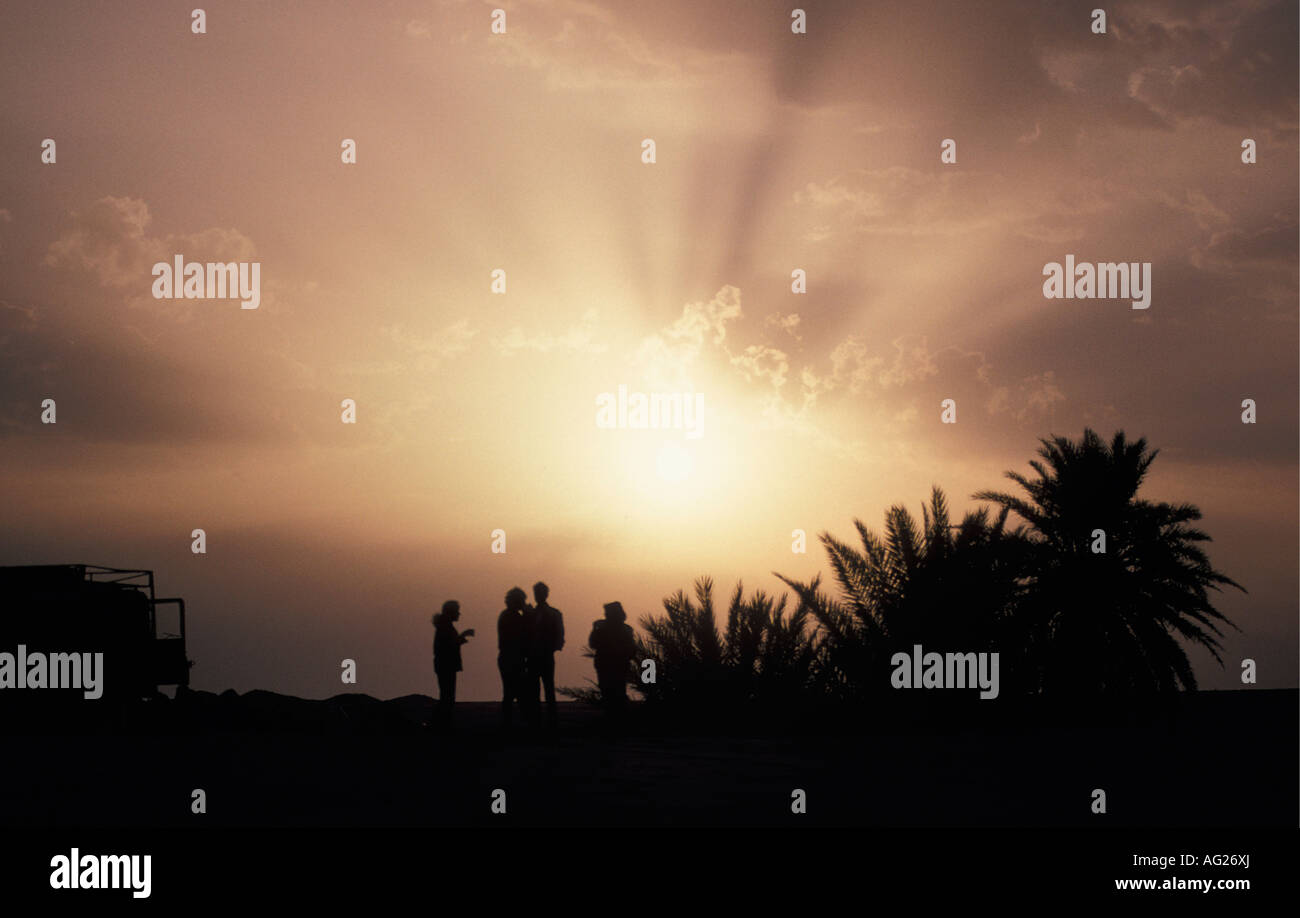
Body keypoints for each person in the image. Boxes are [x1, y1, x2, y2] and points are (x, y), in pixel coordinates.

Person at [527, 581, 565, 729]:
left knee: (548, 688)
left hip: (545, 655)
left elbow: (559, 634)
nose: (538, 596)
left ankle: (551, 720)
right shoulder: (532, 614)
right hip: (533, 656)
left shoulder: (553, 614)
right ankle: (537, 720)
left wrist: (553, 647)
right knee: (535, 689)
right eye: (537, 593)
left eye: (541, 593)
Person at [589, 601, 636, 715]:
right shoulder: (605, 628)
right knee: (609, 692)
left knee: (615, 693)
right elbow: (593, 643)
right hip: (607, 665)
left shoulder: (624, 630)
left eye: (607, 613)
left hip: (615, 666)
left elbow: (631, 650)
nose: (605, 615)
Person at [432, 601, 473, 726]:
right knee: (447, 696)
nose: (459, 613)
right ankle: (442, 724)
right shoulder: (445, 627)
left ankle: (441, 723)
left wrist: (460, 639)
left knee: (446, 695)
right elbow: (447, 646)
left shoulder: (444, 626)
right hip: (446, 665)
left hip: (445, 665)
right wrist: (461, 638)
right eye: (456, 611)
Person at [497, 587, 531, 728]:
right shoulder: (513, 617)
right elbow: (524, 634)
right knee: (517, 691)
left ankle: (508, 722)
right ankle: (518, 722)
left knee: (510, 692)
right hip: (513, 659)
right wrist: (528, 614)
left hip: (507, 658)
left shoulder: (506, 615)